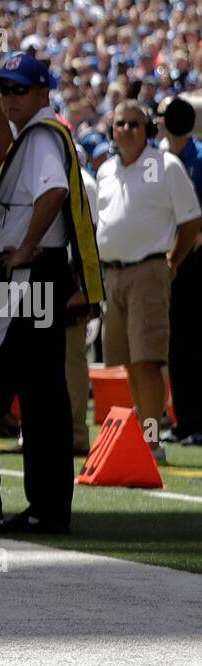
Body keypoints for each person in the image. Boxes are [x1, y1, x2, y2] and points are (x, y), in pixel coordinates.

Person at [0, 54, 102, 533]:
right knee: (42, 394)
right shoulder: (37, 134)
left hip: (22, 278)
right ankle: (47, 511)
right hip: (39, 277)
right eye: (4, 89)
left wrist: (26, 249)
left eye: (18, 90)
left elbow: (52, 193)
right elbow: (7, 152)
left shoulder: (43, 137)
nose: (10, 98)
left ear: (42, 92)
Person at [96, 100, 201, 462]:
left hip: (148, 270)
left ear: (148, 131)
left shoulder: (161, 166)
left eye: (134, 125)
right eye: (120, 124)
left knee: (148, 361)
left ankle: (153, 440)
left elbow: (190, 220)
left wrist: (173, 260)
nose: (126, 130)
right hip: (114, 274)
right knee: (128, 363)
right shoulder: (107, 170)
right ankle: (146, 433)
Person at [156, 97, 202, 446]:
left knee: (194, 342)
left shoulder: (199, 159)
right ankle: (183, 421)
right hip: (171, 257)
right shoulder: (159, 159)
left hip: (198, 261)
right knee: (176, 344)